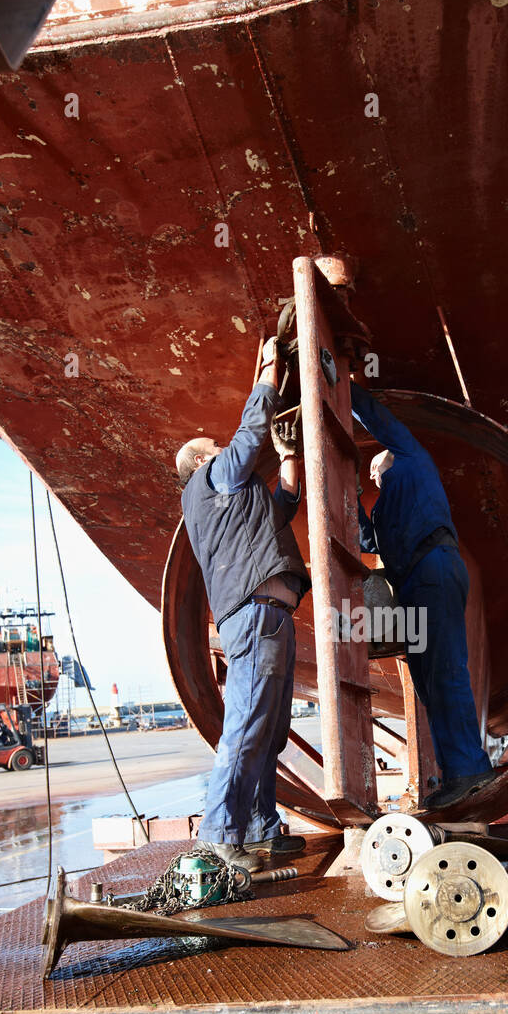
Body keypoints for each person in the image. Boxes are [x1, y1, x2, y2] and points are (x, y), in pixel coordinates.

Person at [175, 337, 311, 869]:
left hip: (269, 617)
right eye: (216, 447)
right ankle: (218, 833)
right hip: (255, 617)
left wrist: (288, 459)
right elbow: (249, 433)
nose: (224, 452)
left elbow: (284, 506)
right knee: (248, 724)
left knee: (270, 731)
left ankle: (258, 826)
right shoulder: (211, 480)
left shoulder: (236, 502)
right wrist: (269, 375)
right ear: (202, 461)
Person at [352, 381, 495, 808]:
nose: (375, 480)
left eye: (376, 473)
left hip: (432, 568)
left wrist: (346, 392)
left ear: (391, 462)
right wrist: (354, 499)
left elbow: (382, 421)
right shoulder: (384, 506)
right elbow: (370, 541)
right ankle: (459, 772)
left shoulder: (413, 460)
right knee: (428, 681)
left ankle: (471, 771)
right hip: (410, 584)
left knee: (445, 669)